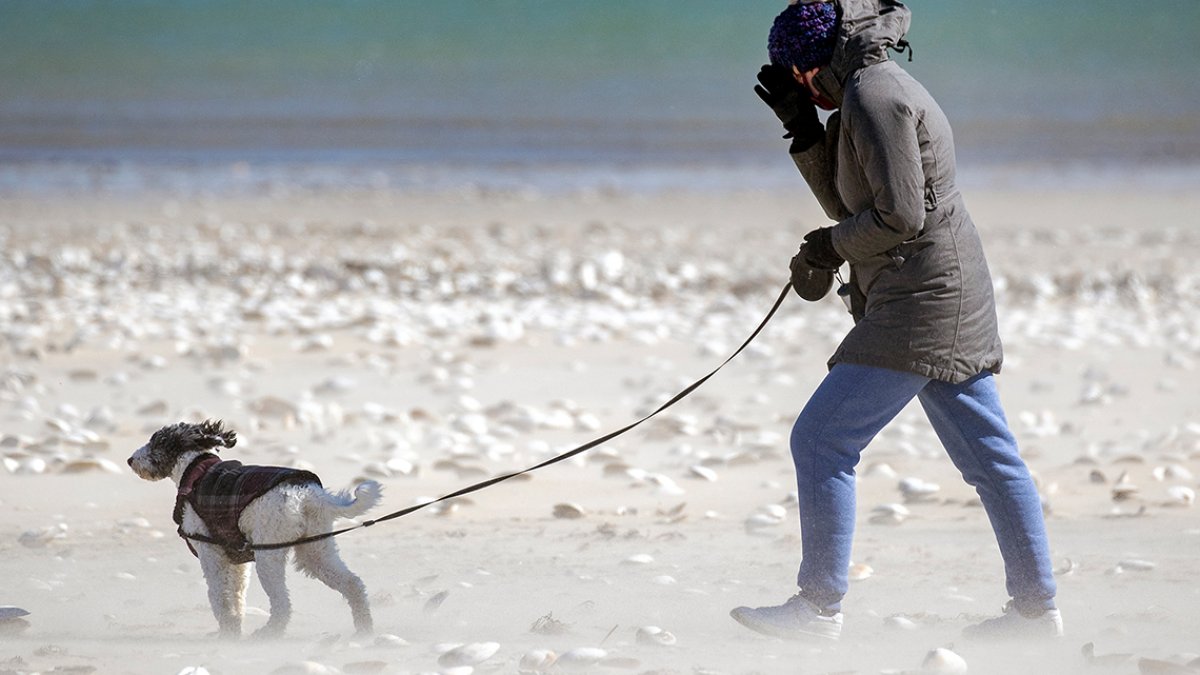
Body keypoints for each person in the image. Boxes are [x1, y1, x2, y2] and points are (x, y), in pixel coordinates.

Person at [728, 0, 1062, 641]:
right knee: (992, 460)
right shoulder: (865, 89)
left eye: (797, 79)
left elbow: (899, 218)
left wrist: (828, 247)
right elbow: (854, 199)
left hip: (922, 298)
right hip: (941, 289)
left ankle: (818, 609)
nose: (804, 90)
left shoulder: (875, 97)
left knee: (822, 440)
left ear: (809, 64)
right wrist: (805, 132)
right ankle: (1036, 616)